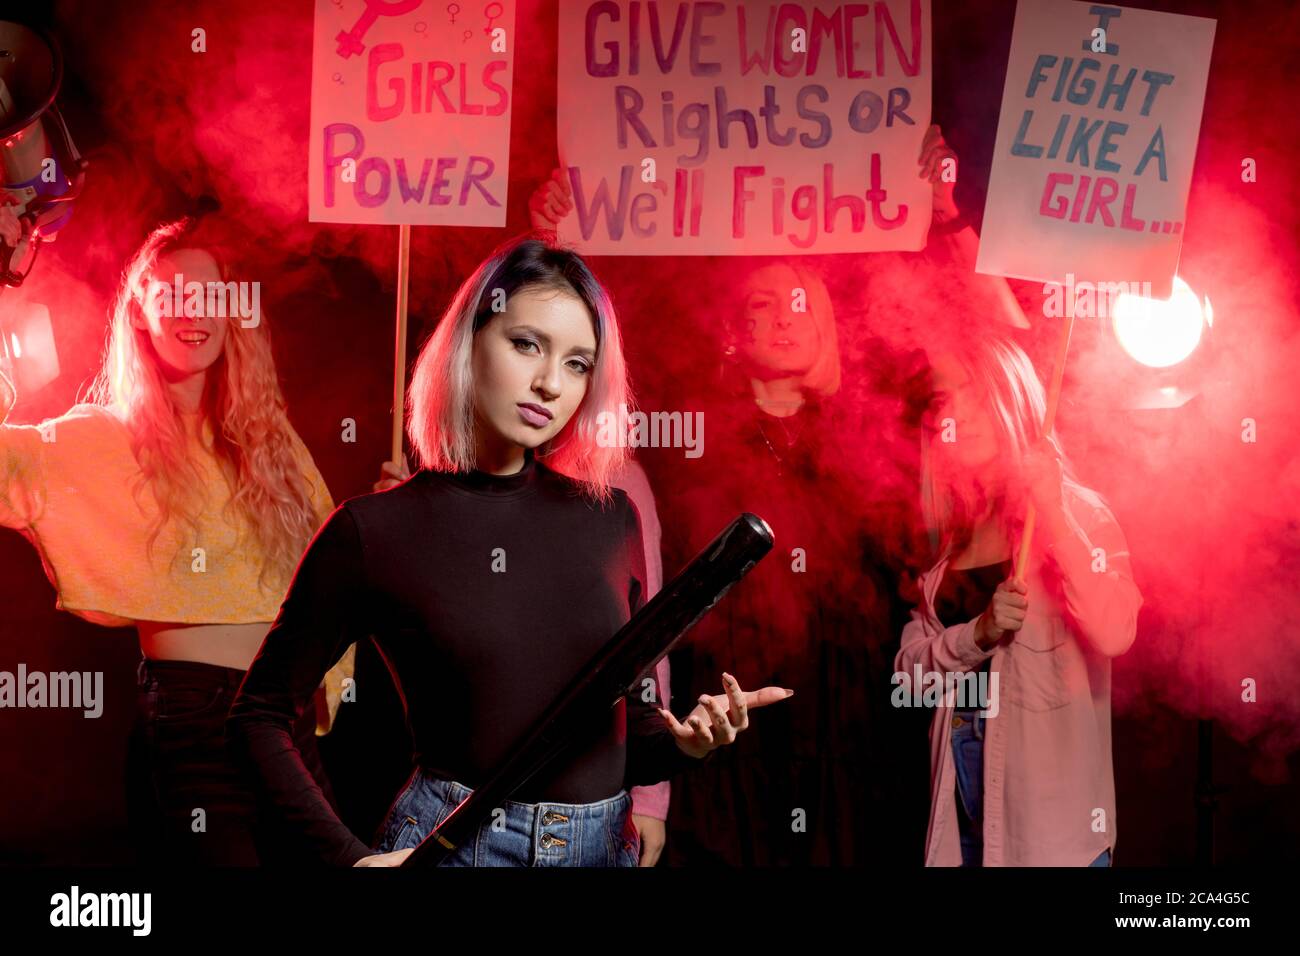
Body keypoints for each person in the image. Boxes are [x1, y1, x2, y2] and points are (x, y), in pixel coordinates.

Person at [227, 235, 792, 867]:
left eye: (578, 363)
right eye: (527, 344)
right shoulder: (374, 530)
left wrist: (688, 743)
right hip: (457, 846)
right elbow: (259, 713)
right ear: (470, 340)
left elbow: (627, 721)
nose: (550, 383)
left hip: (604, 849)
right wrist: (346, 857)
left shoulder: (609, 519)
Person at [0, 210, 346, 864]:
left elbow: (328, 565)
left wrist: (387, 514)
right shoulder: (101, 437)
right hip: (197, 722)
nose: (194, 311)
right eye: (173, 295)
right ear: (139, 313)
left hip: (287, 718)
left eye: (209, 294)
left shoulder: (271, 446)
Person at [897, 334, 1143, 866]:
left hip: (1049, 838)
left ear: (1009, 395)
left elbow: (1115, 629)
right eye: (941, 401)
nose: (952, 413)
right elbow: (908, 680)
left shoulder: (1080, 514)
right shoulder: (946, 541)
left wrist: (1053, 513)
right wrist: (976, 635)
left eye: (971, 393)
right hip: (960, 821)